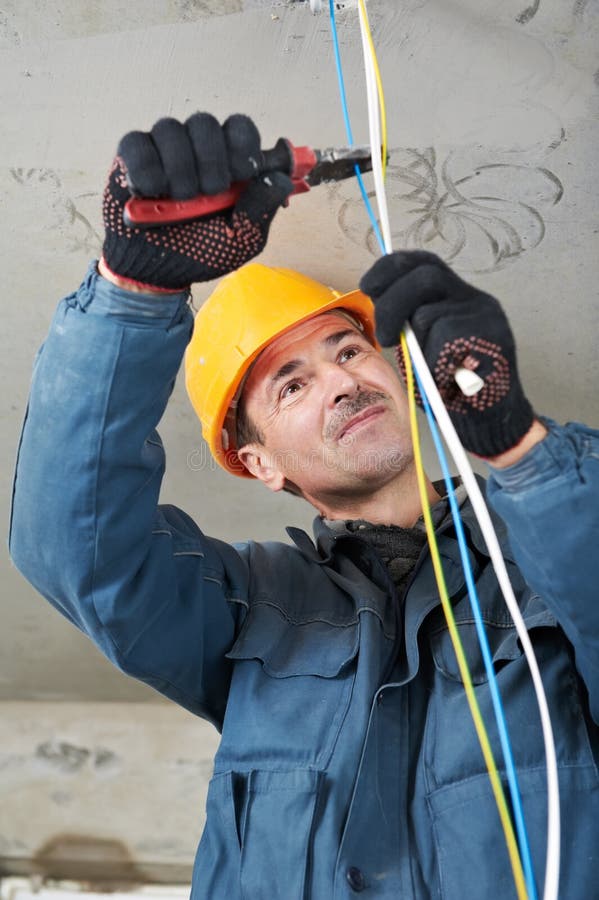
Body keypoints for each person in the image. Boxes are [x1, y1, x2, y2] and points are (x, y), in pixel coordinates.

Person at [9, 114, 599, 899]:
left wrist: (518, 449)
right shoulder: (246, 613)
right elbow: (71, 547)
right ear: (258, 462)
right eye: (292, 385)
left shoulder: (541, 569)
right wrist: (134, 294)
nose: (343, 381)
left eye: (349, 350)